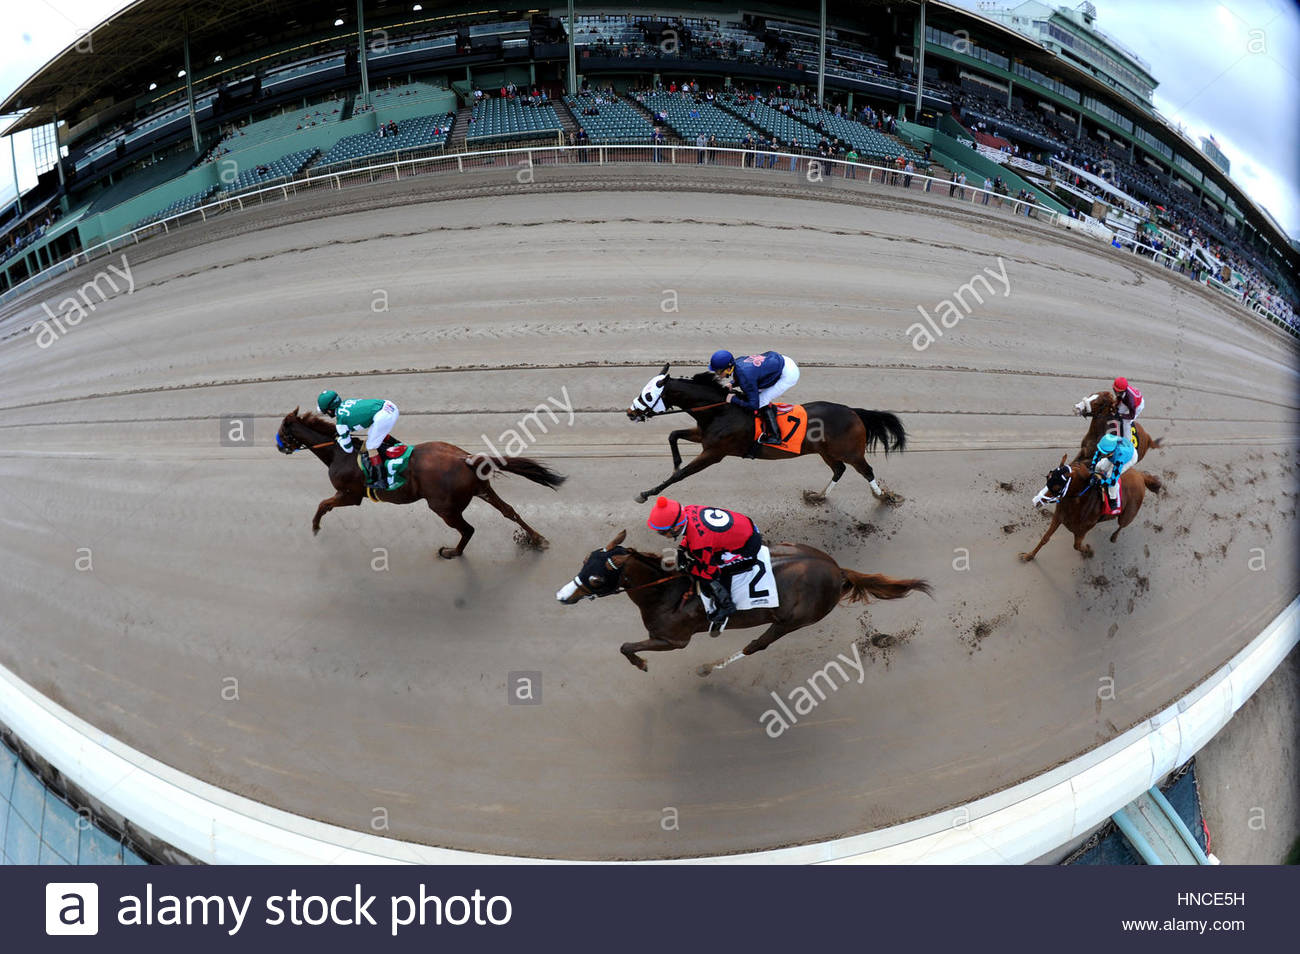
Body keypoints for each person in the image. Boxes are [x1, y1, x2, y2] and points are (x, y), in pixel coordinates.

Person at [646, 497, 763, 624]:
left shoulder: (699, 544)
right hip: (745, 525)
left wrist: (691, 568)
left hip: (748, 547)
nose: (664, 535)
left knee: (708, 573)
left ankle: (727, 606)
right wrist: (682, 548)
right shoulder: (689, 510)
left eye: (663, 533)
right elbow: (695, 530)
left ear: (675, 528)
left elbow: (712, 571)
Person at [708, 349, 800, 445]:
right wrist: (732, 383)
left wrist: (733, 399)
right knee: (755, 391)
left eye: (718, 372)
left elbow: (754, 405)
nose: (717, 374)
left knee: (761, 402)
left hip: (788, 374)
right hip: (781, 361)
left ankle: (775, 436)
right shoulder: (738, 362)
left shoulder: (745, 376)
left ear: (729, 368)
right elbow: (748, 375)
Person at [317, 390, 400, 490]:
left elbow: (348, 449)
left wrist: (340, 439)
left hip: (384, 416)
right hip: (389, 405)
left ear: (329, 410)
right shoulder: (348, 401)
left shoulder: (341, 423)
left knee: (370, 446)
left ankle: (381, 480)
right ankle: (399, 444)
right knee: (372, 434)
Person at [1091, 432, 1135, 510]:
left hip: (1129, 457)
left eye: (1104, 453)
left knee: (1109, 474)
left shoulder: (1119, 457)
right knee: (1099, 466)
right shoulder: (1105, 444)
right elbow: (1098, 453)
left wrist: (1100, 481)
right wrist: (1092, 467)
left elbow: (1113, 481)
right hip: (1118, 450)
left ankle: (1113, 499)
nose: (1101, 454)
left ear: (1111, 453)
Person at [1112, 377, 1144, 443]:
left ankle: (1127, 442)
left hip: (1137, 406)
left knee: (1126, 422)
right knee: (1116, 412)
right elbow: (1119, 397)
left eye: (1118, 392)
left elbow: (1131, 416)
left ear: (1123, 391)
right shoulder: (1122, 392)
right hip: (1125, 401)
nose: (1116, 393)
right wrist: (1115, 405)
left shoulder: (1131, 401)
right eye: (1115, 391)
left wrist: (1121, 415)